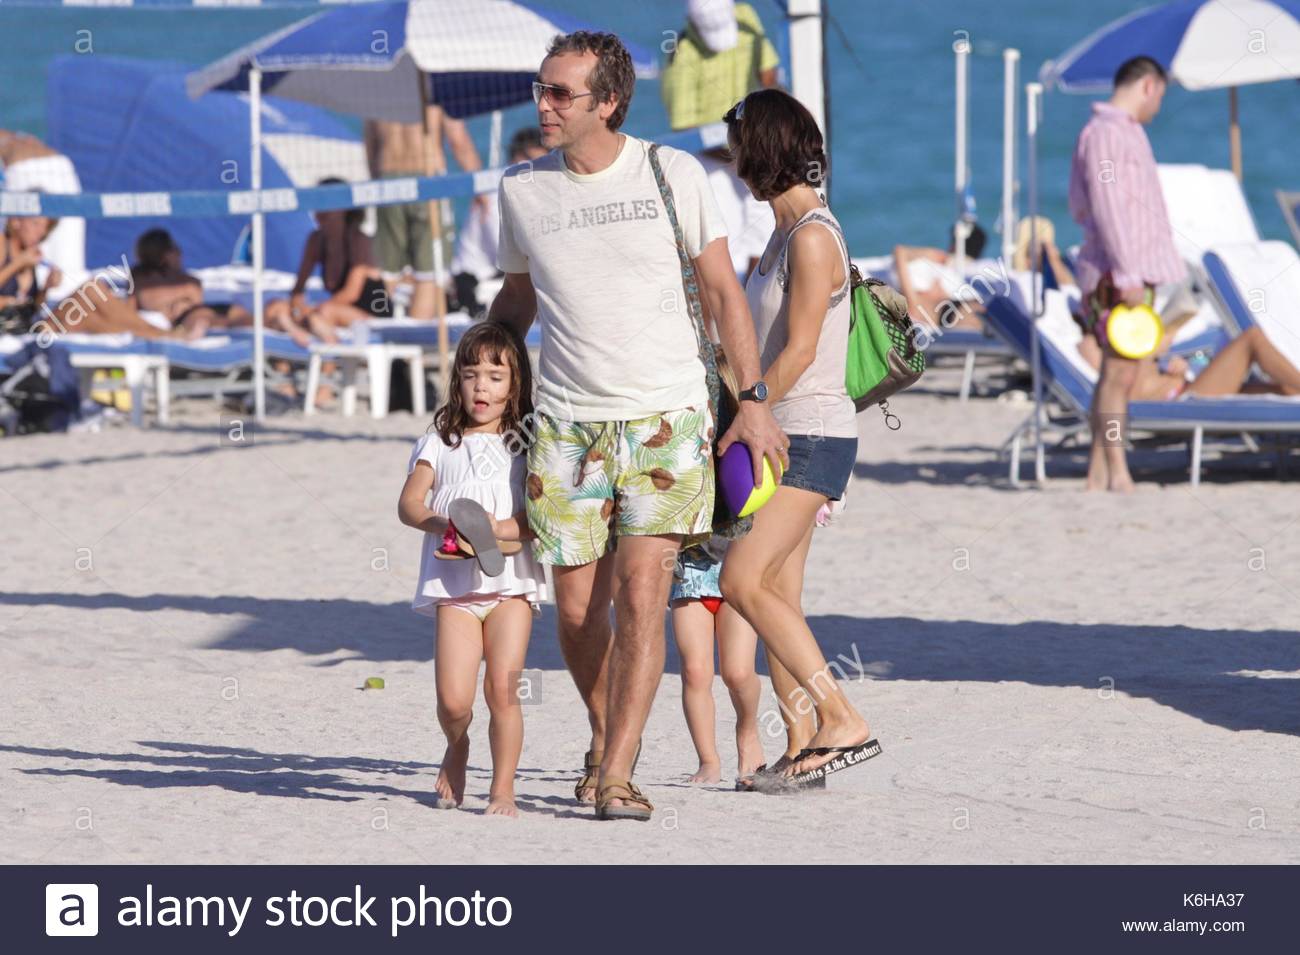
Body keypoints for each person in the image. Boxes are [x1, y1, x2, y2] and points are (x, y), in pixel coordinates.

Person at [490, 31, 785, 822]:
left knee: (644, 590)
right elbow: (518, 298)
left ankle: (619, 770)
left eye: (561, 93)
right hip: (564, 423)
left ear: (609, 102)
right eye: (541, 88)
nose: (544, 104)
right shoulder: (520, 188)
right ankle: (601, 730)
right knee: (579, 610)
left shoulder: (672, 172)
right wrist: (481, 368)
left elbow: (724, 292)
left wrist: (753, 399)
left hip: (667, 416)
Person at [718, 88, 879, 787]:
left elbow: (802, 350)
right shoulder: (779, 238)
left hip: (811, 434)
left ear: (763, 151)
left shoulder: (814, 236)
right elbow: (754, 340)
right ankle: (803, 740)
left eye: (737, 145)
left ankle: (841, 715)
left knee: (741, 578)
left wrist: (745, 413)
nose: (730, 159)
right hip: (783, 431)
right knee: (778, 591)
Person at [397, 322, 548, 818]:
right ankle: (457, 745)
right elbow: (408, 505)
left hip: (510, 585)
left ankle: (502, 789)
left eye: (495, 376)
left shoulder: (526, 444)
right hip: (455, 588)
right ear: (456, 381)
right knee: (454, 701)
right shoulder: (440, 442)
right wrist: (447, 524)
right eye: (470, 374)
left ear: (516, 384)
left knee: (503, 690)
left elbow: (537, 521)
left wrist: (495, 529)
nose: (481, 386)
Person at [1068, 56, 1186, 493]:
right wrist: (1128, 273)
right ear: (1149, 86)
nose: (1157, 107)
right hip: (1119, 272)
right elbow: (1107, 206)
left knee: (1117, 372)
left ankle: (1097, 472)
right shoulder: (1107, 134)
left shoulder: (1122, 133)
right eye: (1160, 96)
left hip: (1126, 269)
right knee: (1121, 373)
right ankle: (1117, 469)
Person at [365, 107, 485, 320]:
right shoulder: (431, 88)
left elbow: (371, 147)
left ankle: (391, 333)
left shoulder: (378, 91)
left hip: (387, 179)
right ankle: (410, 341)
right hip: (428, 180)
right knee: (431, 273)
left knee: (389, 273)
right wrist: (482, 189)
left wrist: (380, 186)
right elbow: (459, 142)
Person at [669, 537, 764, 784]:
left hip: (741, 564)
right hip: (690, 565)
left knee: (738, 673)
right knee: (694, 671)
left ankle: (747, 732)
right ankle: (708, 761)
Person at [266, 181, 391, 348]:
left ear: (344, 207)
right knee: (275, 308)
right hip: (332, 310)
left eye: (326, 203)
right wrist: (297, 309)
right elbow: (298, 288)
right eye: (318, 203)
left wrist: (311, 310)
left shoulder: (358, 240)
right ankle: (289, 359)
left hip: (370, 314)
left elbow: (351, 294)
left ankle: (329, 366)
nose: (320, 210)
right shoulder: (316, 240)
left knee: (323, 313)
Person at [451, 128, 547, 318]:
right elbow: (508, 249)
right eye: (533, 162)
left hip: (496, 274)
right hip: (475, 281)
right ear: (517, 158)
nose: (536, 170)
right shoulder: (499, 191)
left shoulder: (518, 190)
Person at [661, 0, 780, 132]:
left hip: (754, 134)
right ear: (692, 21)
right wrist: (738, 147)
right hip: (712, 150)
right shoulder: (681, 56)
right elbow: (684, 127)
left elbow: (768, 74)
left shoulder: (746, 18)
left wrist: (780, 112)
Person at [0, 130, 85, 300]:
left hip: (52, 172)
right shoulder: (22, 142)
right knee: (69, 274)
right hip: (59, 170)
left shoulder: (16, 143)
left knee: (67, 274)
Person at [130, 229, 251, 339]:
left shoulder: (142, 281)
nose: (180, 254)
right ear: (166, 255)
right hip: (190, 315)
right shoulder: (143, 280)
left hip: (196, 312)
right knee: (224, 321)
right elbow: (194, 296)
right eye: (176, 250)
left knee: (241, 317)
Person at [892, 221, 988, 331]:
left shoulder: (941, 295)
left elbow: (900, 251)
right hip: (960, 316)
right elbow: (900, 251)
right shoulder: (914, 304)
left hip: (966, 308)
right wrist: (935, 254)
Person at [0, 215, 61, 332]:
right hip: (7, 326)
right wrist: (17, 264)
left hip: (22, 326)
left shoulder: (30, 253)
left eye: (45, 226)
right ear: (15, 221)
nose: (42, 232)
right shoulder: (2, 244)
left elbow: (34, 308)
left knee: (91, 295)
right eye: (35, 224)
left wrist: (46, 287)